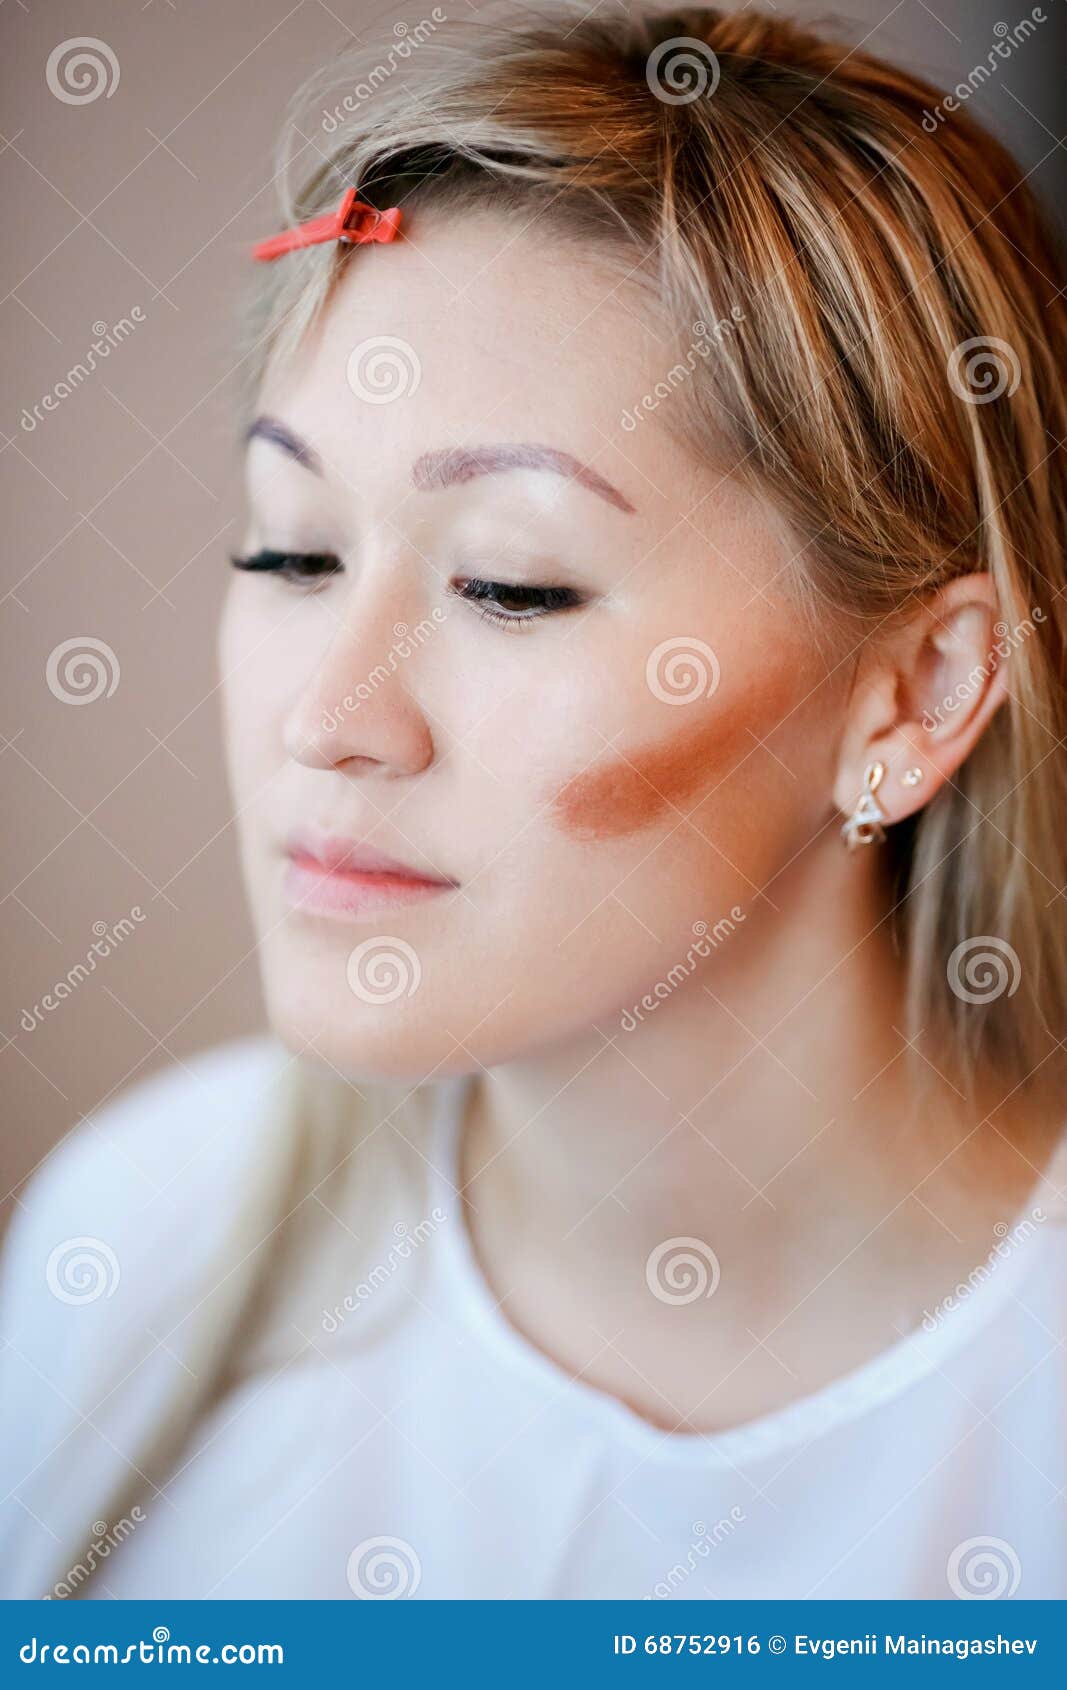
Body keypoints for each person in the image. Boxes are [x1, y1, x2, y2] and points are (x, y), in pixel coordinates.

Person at [3, 4, 1066, 1601]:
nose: (326, 720)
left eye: (512, 583)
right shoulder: (138, 1236)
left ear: (915, 693)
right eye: (293, 550)